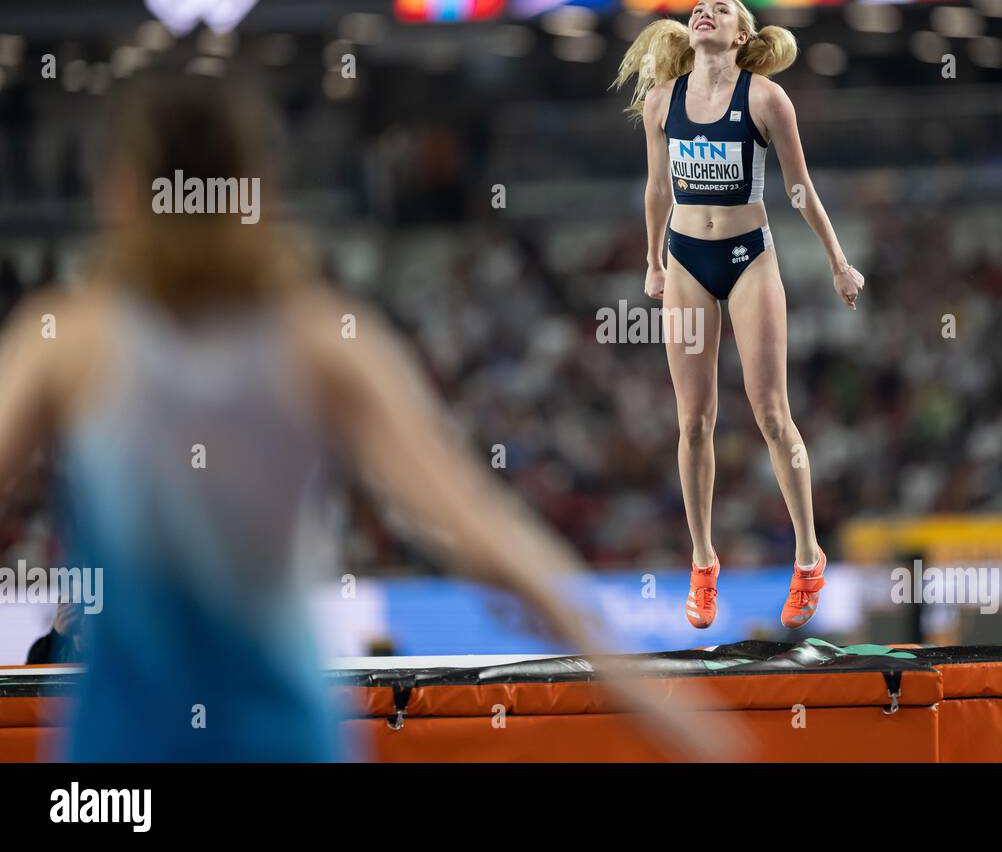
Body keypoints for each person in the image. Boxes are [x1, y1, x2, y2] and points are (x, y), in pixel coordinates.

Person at [0, 71, 742, 762]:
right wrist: (650, 697)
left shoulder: (66, 342)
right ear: (259, 187)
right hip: (280, 733)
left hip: (120, 755)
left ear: (119, 191)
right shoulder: (322, 342)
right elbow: (479, 529)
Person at [613, 0, 864, 632]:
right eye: (699, 7)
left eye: (721, 9)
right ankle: (702, 561)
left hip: (750, 257)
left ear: (742, 33)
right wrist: (651, 261)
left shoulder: (764, 99)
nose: (705, 13)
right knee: (693, 420)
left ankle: (809, 556)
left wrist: (837, 260)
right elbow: (656, 188)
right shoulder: (662, 102)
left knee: (771, 413)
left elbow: (800, 188)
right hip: (686, 258)